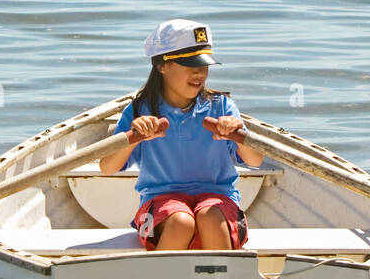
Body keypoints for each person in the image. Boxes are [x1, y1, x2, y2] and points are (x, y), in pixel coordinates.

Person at [98, 18, 263, 251]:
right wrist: (135, 135)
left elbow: (255, 160)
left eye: (204, 64)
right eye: (190, 64)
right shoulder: (139, 111)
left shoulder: (222, 106)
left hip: (219, 205)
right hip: (158, 209)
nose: (200, 73)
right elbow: (107, 167)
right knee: (181, 222)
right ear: (162, 66)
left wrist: (235, 133)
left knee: (210, 218)